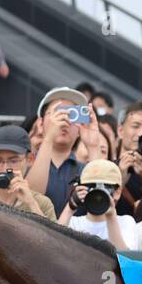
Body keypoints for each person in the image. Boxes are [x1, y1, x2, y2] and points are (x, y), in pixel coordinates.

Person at [27, 87, 86, 217]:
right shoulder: (25, 164)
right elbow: (29, 201)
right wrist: (48, 139)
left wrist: (93, 144)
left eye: (72, 114)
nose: (64, 120)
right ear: (40, 124)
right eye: (56, 113)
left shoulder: (87, 169)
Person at [57, 158, 139, 251]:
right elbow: (54, 247)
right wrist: (70, 207)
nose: (97, 194)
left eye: (104, 187)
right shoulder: (73, 223)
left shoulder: (125, 222)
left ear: (117, 192)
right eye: (91, 186)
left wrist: (111, 216)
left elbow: (125, 259)